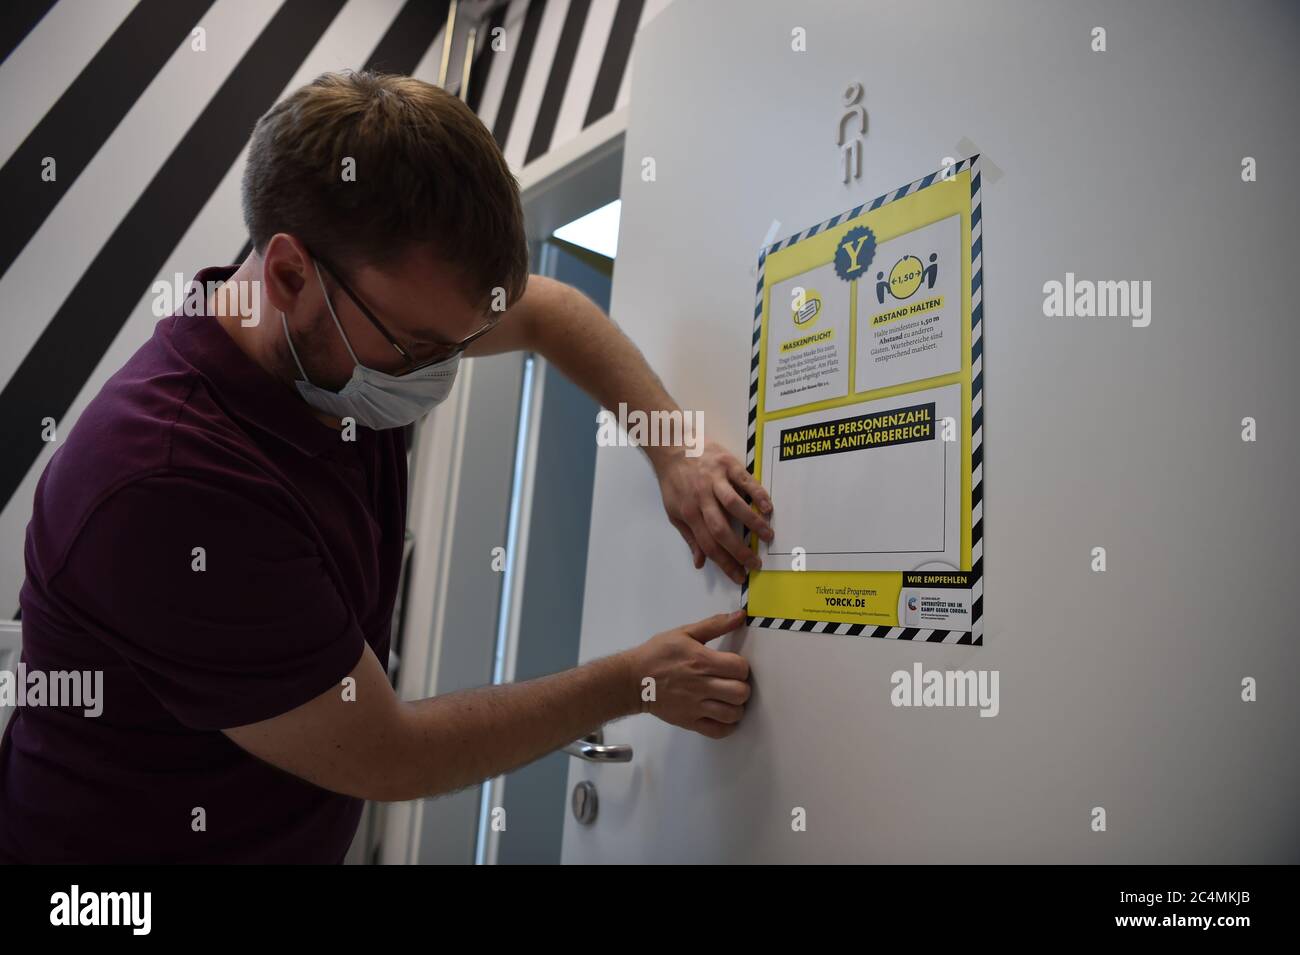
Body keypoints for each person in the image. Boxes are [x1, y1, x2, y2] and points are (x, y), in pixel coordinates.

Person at [0, 70, 774, 863]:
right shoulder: (169, 480)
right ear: (291, 276)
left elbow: (547, 309)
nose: (437, 379)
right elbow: (390, 752)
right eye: (421, 350)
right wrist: (632, 681)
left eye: (461, 346)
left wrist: (674, 446)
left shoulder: (332, 350)